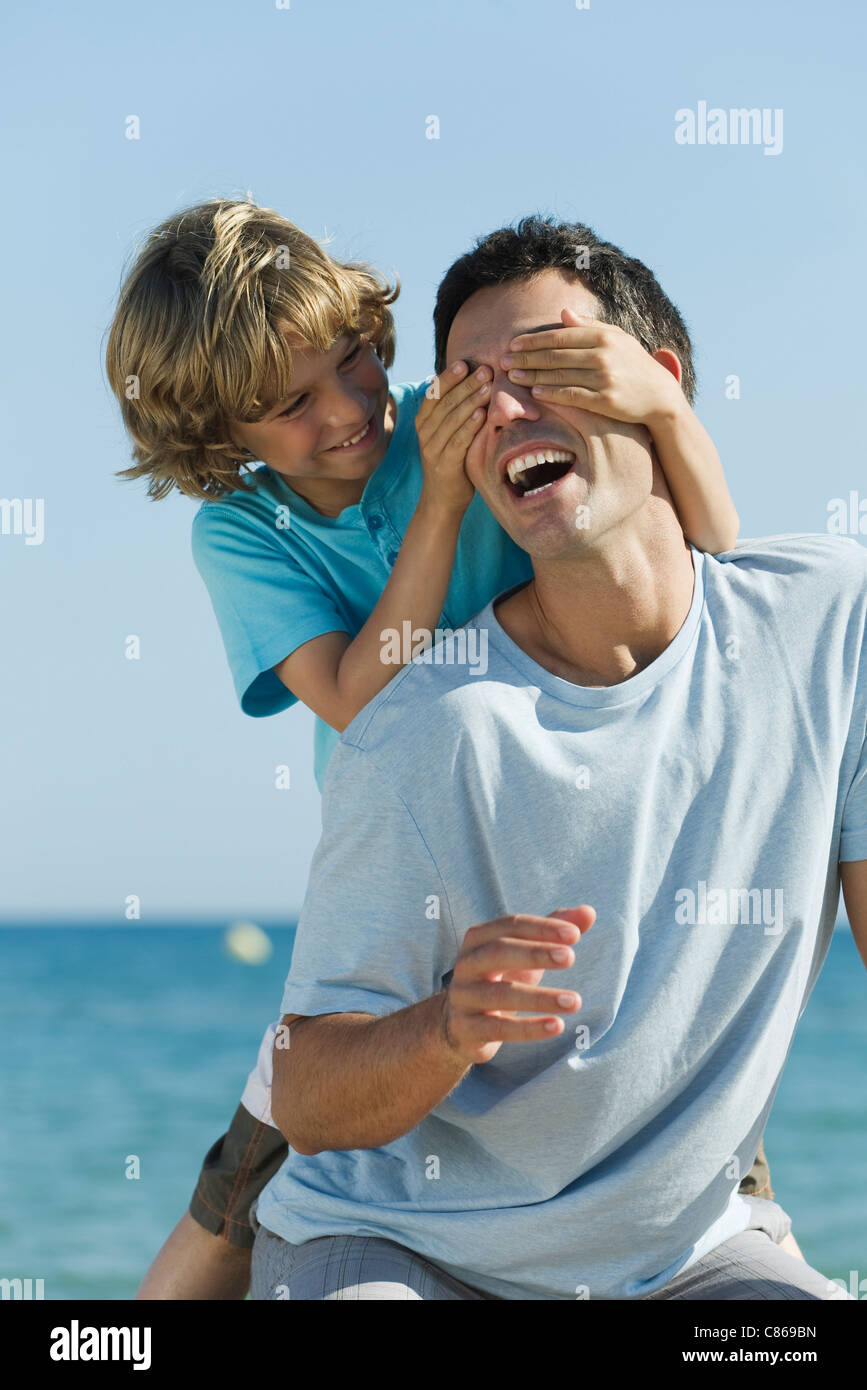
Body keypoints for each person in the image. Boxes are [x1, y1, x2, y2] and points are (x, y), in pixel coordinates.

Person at [105, 201, 756, 1299]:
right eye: (293, 404)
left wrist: (661, 403)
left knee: (650, 1078)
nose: (353, 408)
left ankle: (725, 1204)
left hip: (565, 808)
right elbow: (363, 703)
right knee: (249, 1174)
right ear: (223, 440)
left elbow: (707, 539)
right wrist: (442, 506)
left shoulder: (446, 416)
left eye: (354, 360)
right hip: (407, 873)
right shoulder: (243, 531)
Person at [248, 219, 867, 1300]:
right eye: (470, 391)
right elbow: (302, 1087)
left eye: (550, 365)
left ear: (653, 383)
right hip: (405, 1248)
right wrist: (443, 1029)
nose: (507, 407)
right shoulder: (416, 725)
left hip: (684, 1260)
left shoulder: (831, 627)